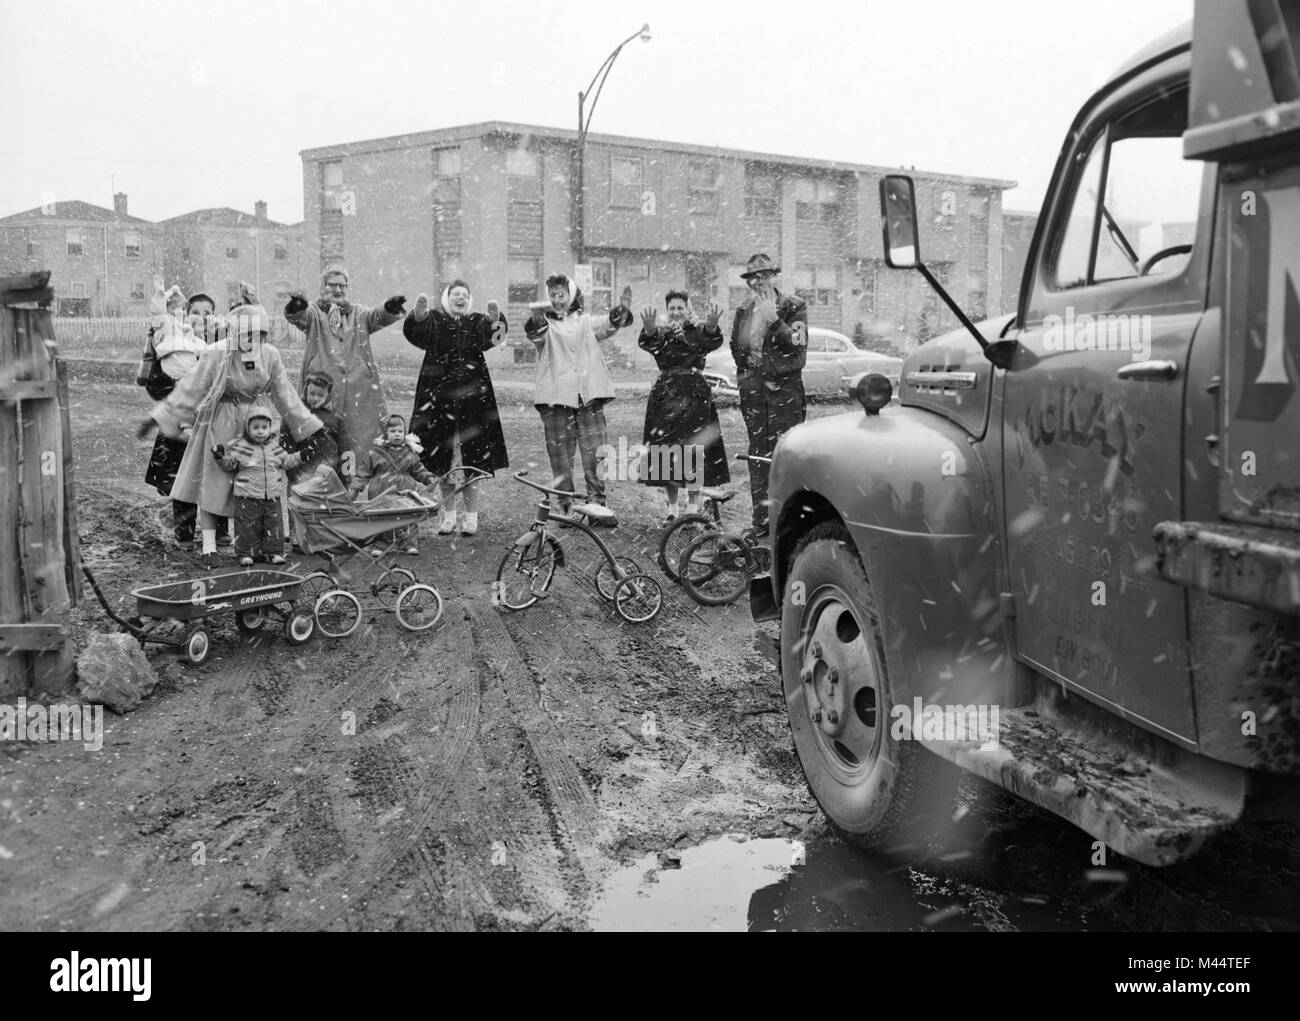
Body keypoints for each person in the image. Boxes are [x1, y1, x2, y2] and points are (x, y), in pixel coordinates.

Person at [138, 286, 326, 568]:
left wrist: (311, 427)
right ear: (236, 333)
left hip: (256, 421)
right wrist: (159, 417)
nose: (253, 342)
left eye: (258, 335)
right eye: (247, 335)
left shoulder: (270, 355)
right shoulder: (218, 353)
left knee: (258, 481)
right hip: (221, 419)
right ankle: (209, 544)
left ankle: (256, 542)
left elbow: (284, 394)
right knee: (215, 483)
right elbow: (191, 387)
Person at [525, 273, 633, 525]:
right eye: (552, 294)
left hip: (587, 396)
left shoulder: (585, 321)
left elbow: (607, 324)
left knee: (595, 452)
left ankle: (597, 505)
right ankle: (566, 507)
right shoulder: (545, 324)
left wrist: (621, 311)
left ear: (571, 295)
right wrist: (536, 320)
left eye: (561, 294)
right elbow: (536, 335)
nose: (556, 299)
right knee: (560, 455)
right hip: (555, 398)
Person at [403, 280, 509, 536]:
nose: (460, 298)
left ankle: (471, 516)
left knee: (472, 461)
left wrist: (496, 321)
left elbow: (495, 337)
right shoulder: (436, 321)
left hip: (473, 404)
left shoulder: (475, 322)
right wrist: (418, 317)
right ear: (447, 299)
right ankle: (449, 515)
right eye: (455, 295)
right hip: (439, 403)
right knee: (444, 462)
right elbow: (416, 334)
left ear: (469, 300)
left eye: (464, 295)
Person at [284, 266, 406, 464]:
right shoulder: (314, 313)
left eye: (342, 285)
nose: (338, 290)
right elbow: (300, 316)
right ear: (324, 287)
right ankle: (317, 483)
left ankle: (350, 487)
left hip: (357, 389)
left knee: (354, 441)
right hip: (322, 388)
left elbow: (377, 316)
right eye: (333, 285)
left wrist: (389, 307)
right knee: (319, 438)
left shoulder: (358, 313)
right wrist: (297, 305)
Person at [140, 282, 229, 546]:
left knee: (217, 473)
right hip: (182, 424)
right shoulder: (174, 341)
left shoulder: (222, 342)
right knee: (183, 477)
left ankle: (220, 531)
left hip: (214, 421)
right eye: (196, 311)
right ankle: (185, 532)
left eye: (207, 312)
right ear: (185, 314)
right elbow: (156, 383)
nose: (201, 317)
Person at [729, 253, 808, 536]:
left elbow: (799, 345)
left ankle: (788, 522)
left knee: (785, 455)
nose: (758, 282)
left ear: (774, 276)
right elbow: (737, 348)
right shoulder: (743, 310)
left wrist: (774, 321)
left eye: (763, 275)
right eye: (753, 277)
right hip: (754, 394)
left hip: (785, 393)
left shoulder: (793, 306)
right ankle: (761, 520)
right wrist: (747, 379)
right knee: (758, 454)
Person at [638, 291, 729, 522]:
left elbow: (711, 341)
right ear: (667, 311)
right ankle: (672, 507)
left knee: (694, 450)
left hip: (695, 397)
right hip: (665, 397)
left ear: (688, 309)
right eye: (672, 308)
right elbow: (648, 342)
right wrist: (649, 330)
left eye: (681, 308)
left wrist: (710, 327)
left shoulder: (697, 332)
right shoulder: (661, 333)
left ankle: (692, 506)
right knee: (667, 452)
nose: (676, 312)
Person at [213, 400, 305, 566]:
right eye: (255, 427)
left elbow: (287, 461)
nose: (260, 431)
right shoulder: (242, 447)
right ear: (248, 428)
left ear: (269, 428)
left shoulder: (275, 448)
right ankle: (246, 553)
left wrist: (301, 455)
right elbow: (231, 464)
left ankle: (274, 553)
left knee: (273, 524)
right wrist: (220, 456)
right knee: (247, 525)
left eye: (264, 427)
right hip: (247, 495)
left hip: (272, 494)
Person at [348, 413, 438, 556]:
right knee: (382, 516)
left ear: (404, 432)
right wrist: (355, 489)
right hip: (381, 492)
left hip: (405, 490)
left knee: (409, 514)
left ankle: (408, 542)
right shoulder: (375, 452)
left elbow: (419, 470)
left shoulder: (410, 452)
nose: (397, 435)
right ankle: (381, 543)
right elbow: (363, 473)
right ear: (385, 433)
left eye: (400, 431)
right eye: (393, 431)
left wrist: (428, 479)